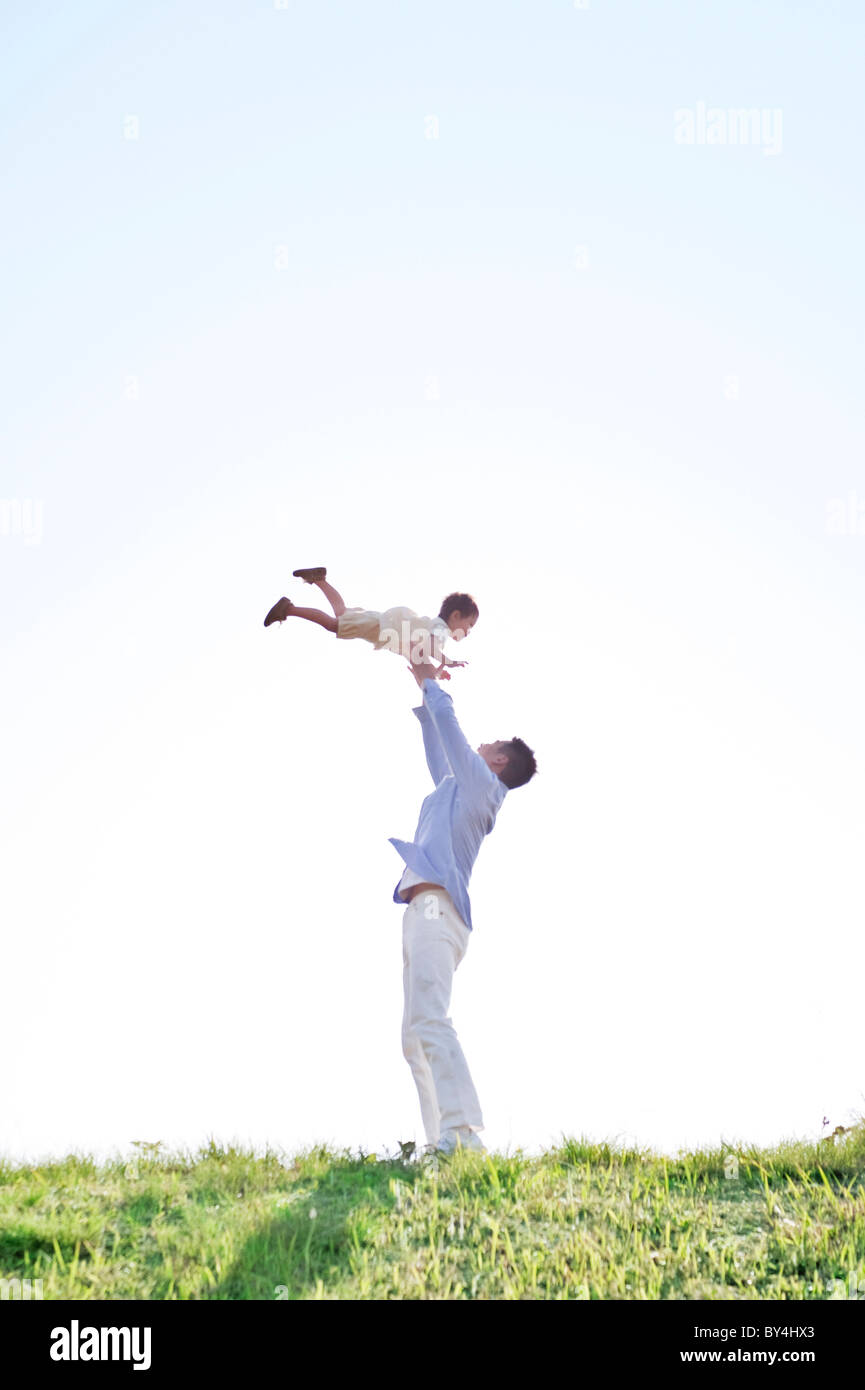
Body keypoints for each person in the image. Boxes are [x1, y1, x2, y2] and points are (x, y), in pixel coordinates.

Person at [392, 657, 537, 1156]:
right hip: (421, 911)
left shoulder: (483, 789)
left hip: (437, 910)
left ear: (497, 761)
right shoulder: (456, 788)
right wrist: (420, 683)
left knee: (430, 1019)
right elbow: (440, 751)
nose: (481, 746)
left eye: (490, 745)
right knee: (413, 1034)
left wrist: (431, 681)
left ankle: (464, 1136)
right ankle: (439, 1145)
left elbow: (451, 730)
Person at [263, 567, 476, 677]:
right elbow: (426, 647)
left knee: (341, 613)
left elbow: (419, 653)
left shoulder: (437, 629)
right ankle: (288, 609)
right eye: (470, 624)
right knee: (333, 625)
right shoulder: (440, 630)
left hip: (382, 625)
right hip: (382, 627)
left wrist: (436, 670)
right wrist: (446, 661)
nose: (468, 631)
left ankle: (319, 579)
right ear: (456, 615)